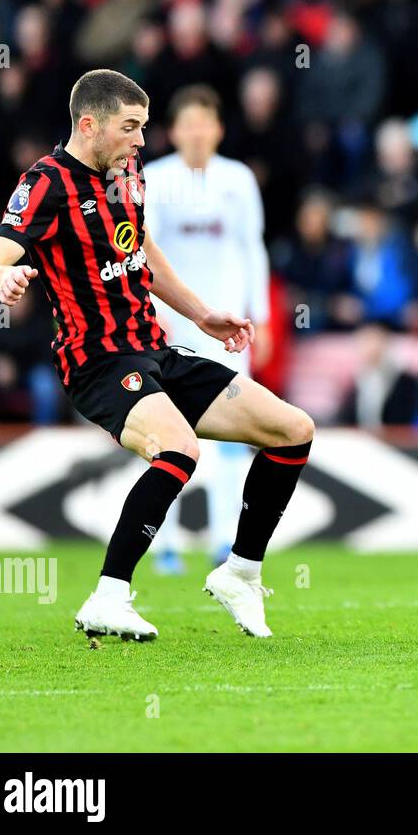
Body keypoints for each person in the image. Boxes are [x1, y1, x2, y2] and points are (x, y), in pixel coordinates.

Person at [0, 69, 314, 641]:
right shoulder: (47, 183)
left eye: (144, 127)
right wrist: (3, 281)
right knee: (180, 449)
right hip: (97, 361)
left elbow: (141, 251)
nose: (141, 141)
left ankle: (241, 572)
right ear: (89, 125)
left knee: (292, 429)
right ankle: (109, 596)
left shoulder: (126, 173)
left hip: (156, 350)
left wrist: (201, 314)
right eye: (130, 128)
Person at [143, 84, 273, 573]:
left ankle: (224, 539)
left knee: (234, 433)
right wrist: (150, 311)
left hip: (228, 326)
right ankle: (164, 542)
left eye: (206, 123)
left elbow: (253, 248)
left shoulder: (238, 180)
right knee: (167, 430)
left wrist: (260, 313)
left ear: (219, 128)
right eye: (188, 124)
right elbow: (141, 252)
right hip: (171, 324)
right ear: (173, 131)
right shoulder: (153, 179)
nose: (197, 134)